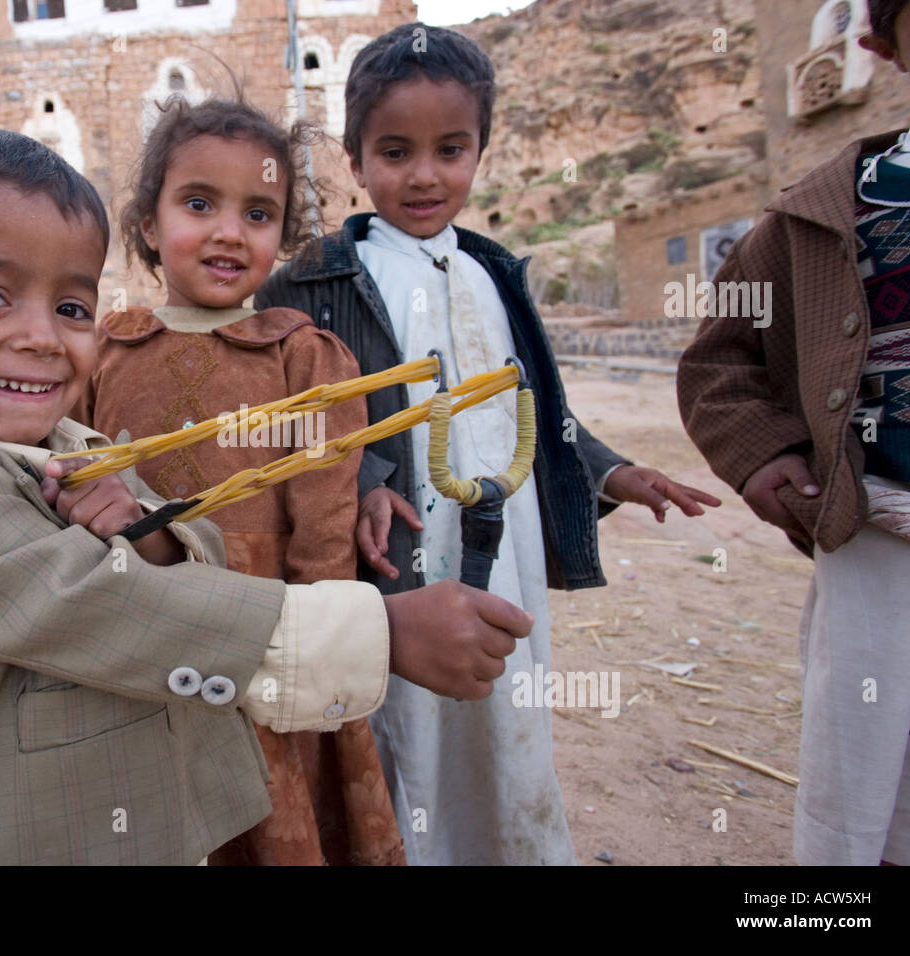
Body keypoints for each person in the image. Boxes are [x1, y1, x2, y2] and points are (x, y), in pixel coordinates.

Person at [0, 126, 532, 865]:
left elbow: (189, 543)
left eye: (72, 308)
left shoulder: (80, 447)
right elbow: (103, 606)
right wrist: (381, 632)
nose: (42, 337)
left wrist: (152, 531)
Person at [258, 23, 719, 865]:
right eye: (395, 151)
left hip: (505, 547)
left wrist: (615, 471)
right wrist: (362, 478)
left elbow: (530, 413)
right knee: (407, 731)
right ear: (357, 161)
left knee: (508, 718)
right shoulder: (312, 280)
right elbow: (293, 418)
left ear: (482, 151)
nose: (424, 174)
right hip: (399, 556)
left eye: (450, 149)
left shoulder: (492, 272)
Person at [70, 95, 404, 865]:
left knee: (265, 812)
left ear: (281, 239)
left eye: (259, 213)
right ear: (149, 227)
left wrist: (317, 641)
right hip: (136, 629)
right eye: (198, 203)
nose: (228, 230)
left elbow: (325, 526)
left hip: (266, 635)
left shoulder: (302, 359)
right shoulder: (104, 352)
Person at [678, 0, 910, 866]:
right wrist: (768, 456)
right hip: (878, 533)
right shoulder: (825, 212)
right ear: (881, 43)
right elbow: (719, 361)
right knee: (862, 770)